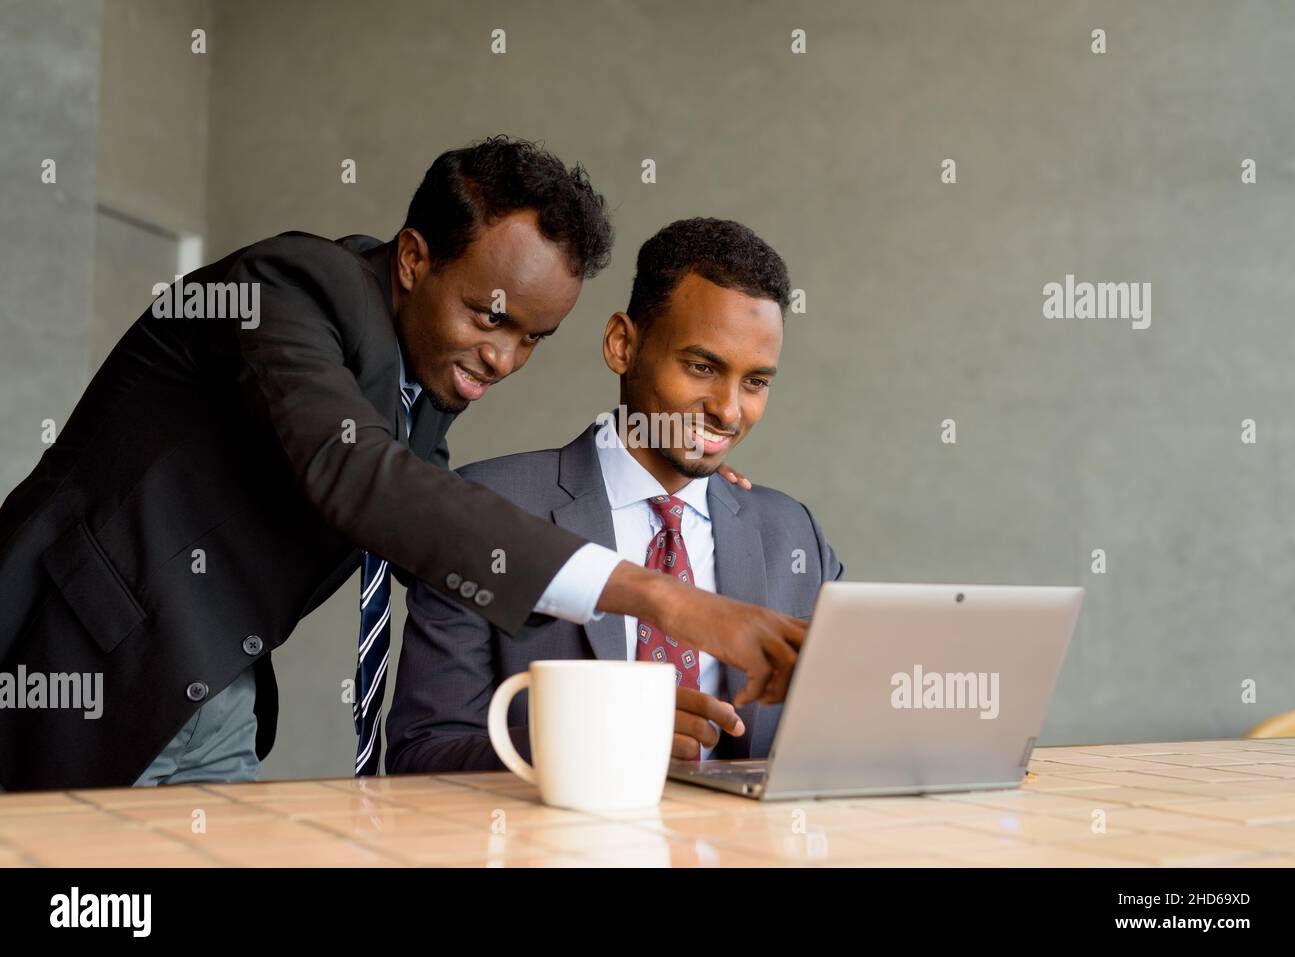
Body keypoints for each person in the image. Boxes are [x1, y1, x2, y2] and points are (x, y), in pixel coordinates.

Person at [0, 140, 805, 791]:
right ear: (415, 258)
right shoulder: (286, 291)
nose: (502, 356)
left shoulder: (418, 401)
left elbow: (433, 524)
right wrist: (660, 595)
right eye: (490, 317)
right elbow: (363, 481)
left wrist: (684, 493)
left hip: (215, 696)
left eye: (531, 336)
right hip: (71, 669)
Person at [388, 218, 842, 773]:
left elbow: (850, 732)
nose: (727, 410)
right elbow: (422, 756)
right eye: (702, 367)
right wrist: (591, 738)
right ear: (622, 344)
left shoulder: (792, 534)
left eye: (756, 383)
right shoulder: (486, 508)